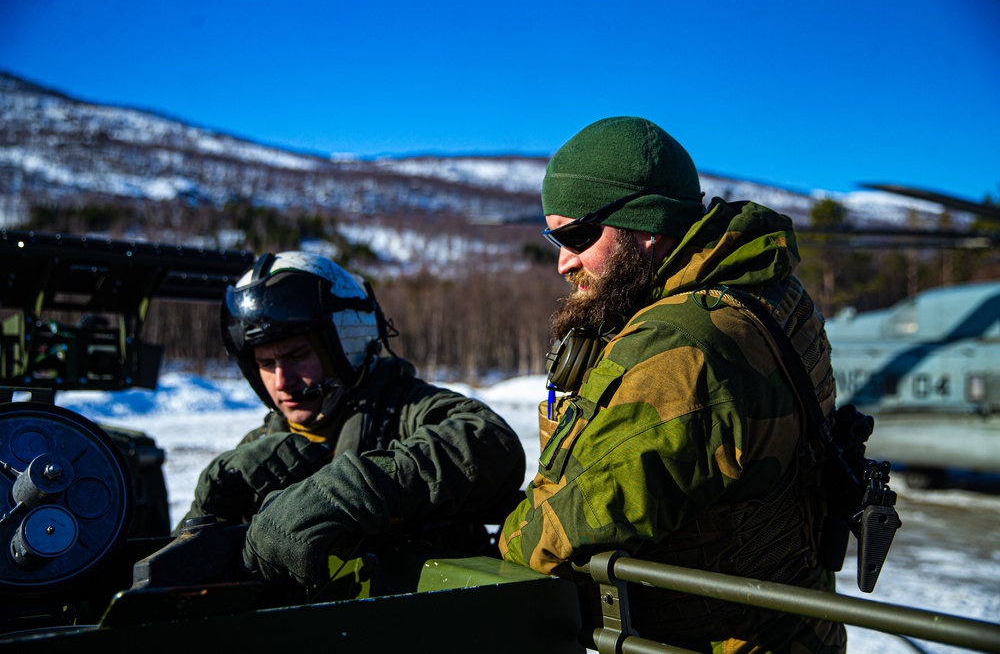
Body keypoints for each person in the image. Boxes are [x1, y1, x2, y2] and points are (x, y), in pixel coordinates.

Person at [498, 117, 846, 653]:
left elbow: (563, 529)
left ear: (646, 225)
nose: (564, 262)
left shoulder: (680, 350)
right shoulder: (766, 290)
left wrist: (502, 545)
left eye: (577, 236)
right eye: (554, 238)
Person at [177, 251, 526, 587]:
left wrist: (359, 486)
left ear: (347, 344)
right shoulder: (260, 448)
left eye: (297, 355)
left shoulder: (403, 408)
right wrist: (211, 507)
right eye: (266, 364)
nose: (281, 381)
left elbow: (488, 440)